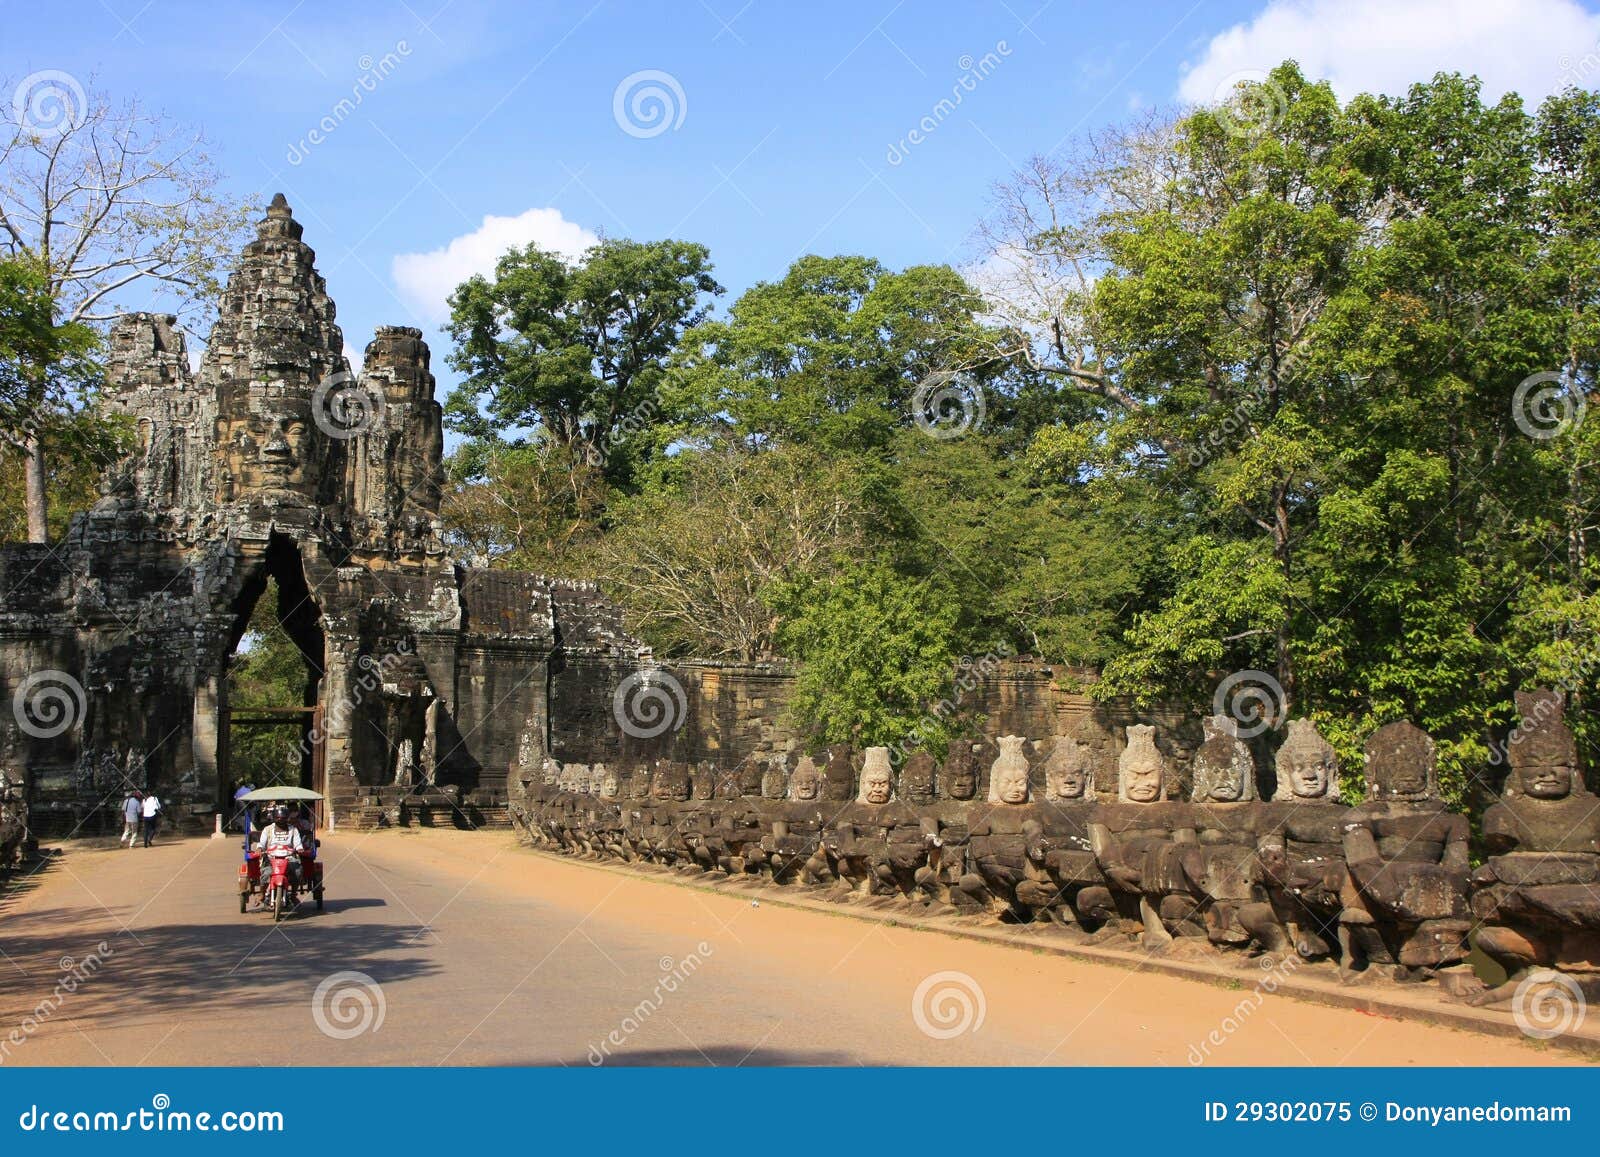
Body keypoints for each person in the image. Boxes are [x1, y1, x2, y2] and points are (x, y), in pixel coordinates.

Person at [255, 805, 305, 896]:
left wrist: (299, 849)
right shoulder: (267, 829)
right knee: (266, 873)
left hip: (289, 858)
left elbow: (298, 843)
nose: (280, 820)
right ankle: (261, 894)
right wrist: (259, 848)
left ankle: (293, 894)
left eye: (283, 818)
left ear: (287, 818)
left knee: (298, 872)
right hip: (271, 858)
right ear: (274, 818)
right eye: (278, 818)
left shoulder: (293, 830)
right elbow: (261, 843)